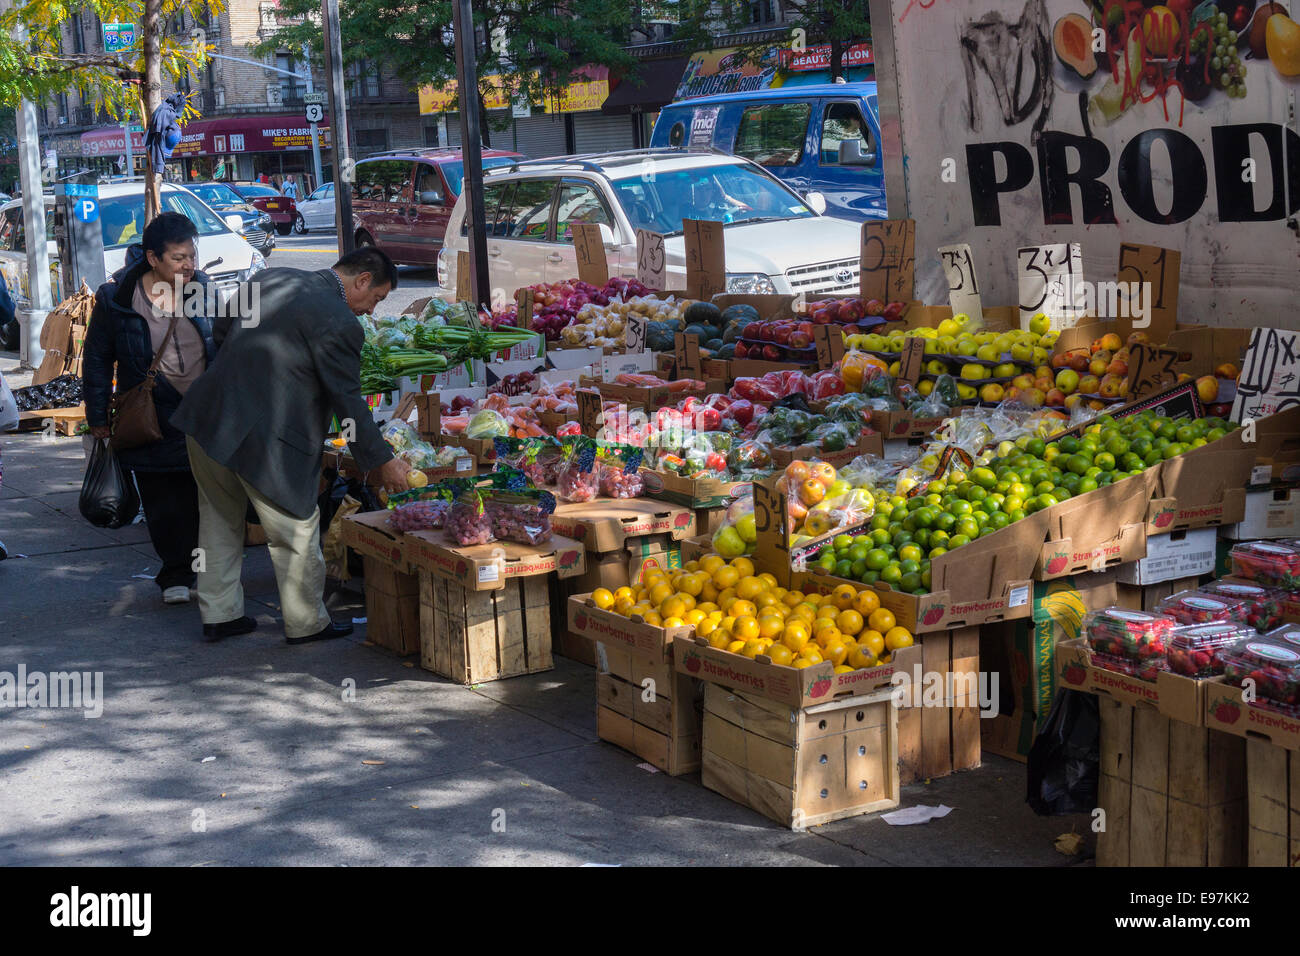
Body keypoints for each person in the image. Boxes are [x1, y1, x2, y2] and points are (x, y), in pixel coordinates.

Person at [171, 247, 410, 645]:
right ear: (362, 280)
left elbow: (223, 329)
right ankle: (305, 622)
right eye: (377, 298)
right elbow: (348, 402)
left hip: (207, 418)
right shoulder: (340, 322)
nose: (371, 310)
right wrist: (381, 460)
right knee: (296, 528)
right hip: (265, 439)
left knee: (217, 518)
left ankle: (220, 613)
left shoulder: (271, 278)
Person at [82, 212, 216, 605]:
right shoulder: (117, 298)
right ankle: (175, 573)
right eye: (179, 258)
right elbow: (97, 358)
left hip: (202, 409)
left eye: (191, 255)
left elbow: (225, 342)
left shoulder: (203, 288)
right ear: (153, 257)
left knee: (206, 497)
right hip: (150, 411)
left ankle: (208, 571)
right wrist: (97, 418)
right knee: (163, 501)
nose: (189, 264)